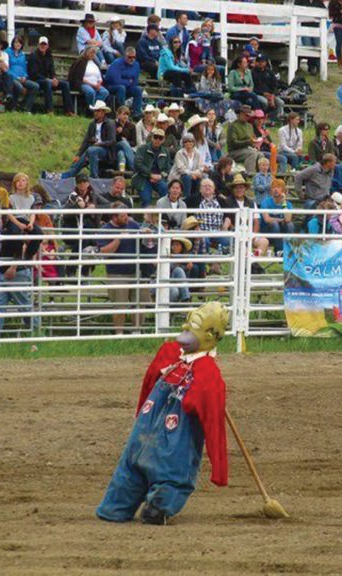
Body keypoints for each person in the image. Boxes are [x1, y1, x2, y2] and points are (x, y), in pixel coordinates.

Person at [96, 301, 230, 525]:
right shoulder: (201, 370)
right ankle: (153, 507)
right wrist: (219, 470)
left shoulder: (195, 367)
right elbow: (214, 423)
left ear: (208, 334)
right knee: (173, 475)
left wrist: (140, 412)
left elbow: (149, 384)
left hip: (146, 432)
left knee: (132, 472)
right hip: (171, 441)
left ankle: (122, 507)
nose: (184, 335)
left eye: (190, 329)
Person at [97, 206, 147, 334]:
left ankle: (137, 331)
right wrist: (119, 238)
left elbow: (142, 239)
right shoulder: (105, 230)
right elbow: (104, 252)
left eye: (127, 214)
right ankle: (119, 334)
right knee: (120, 306)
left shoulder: (133, 225)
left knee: (140, 303)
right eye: (123, 216)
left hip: (136, 270)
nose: (127, 217)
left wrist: (145, 233)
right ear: (114, 217)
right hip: (116, 273)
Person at [48, 101, 116, 179]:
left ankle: (94, 177)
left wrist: (100, 144)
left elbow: (112, 141)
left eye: (98, 111)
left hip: (107, 151)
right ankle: (65, 176)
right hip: (92, 150)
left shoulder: (110, 123)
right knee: (80, 160)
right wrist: (78, 155)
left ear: (103, 112)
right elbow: (86, 140)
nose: (95, 113)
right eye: (95, 111)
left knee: (92, 150)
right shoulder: (92, 124)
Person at [28, 36, 73, 115]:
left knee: (65, 84)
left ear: (47, 46)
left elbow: (52, 71)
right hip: (36, 80)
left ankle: (69, 111)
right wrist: (48, 79)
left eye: (44, 44)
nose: (43, 46)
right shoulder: (33, 55)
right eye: (41, 44)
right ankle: (50, 110)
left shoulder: (49, 56)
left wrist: (54, 78)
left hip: (48, 80)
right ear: (38, 45)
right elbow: (33, 73)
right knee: (47, 83)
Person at [5, 173, 43, 261]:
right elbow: (8, 213)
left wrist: (31, 223)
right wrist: (18, 224)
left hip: (26, 219)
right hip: (15, 219)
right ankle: (17, 255)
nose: (20, 183)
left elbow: (32, 212)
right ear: (14, 183)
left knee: (38, 234)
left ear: (27, 183)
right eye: (18, 181)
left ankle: (28, 255)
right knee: (15, 233)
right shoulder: (10, 197)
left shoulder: (31, 198)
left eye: (23, 180)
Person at [133, 128, 171, 206]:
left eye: (160, 138)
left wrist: (160, 176)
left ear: (163, 140)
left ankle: (163, 216)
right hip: (142, 178)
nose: (157, 140)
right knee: (146, 200)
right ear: (152, 138)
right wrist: (150, 175)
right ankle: (146, 218)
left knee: (166, 194)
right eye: (156, 137)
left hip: (158, 178)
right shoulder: (142, 149)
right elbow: (137, 164)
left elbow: (167, 168)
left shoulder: (165, 151)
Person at [197, 178, 232, 257]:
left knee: (230, 240)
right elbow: (189, 215)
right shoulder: (194, 200)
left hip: (218, 230)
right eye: (204, 186)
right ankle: (204, 265)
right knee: (203, 241)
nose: (207, 187)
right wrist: (196, 226)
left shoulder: (221, 200)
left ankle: (216, 263)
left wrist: (226, 223)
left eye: (209, 186)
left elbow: (229, 214)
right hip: (202, 231)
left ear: (214, 189)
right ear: (200, 189)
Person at [105, 47, 143, 118]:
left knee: (138, 89)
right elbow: (116, 81)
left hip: (127, 88)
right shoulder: (117, 63)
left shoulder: (136, 65)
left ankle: (136, 113)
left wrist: (126, 81)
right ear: (125, 56)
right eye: (130, 57)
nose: (132, 59)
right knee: (121, 88)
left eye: (134, 57)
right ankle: (122, 112)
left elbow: (135, 82)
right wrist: (128, 81)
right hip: (112, 87)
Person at [4, 35, 39, 113]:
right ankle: (12, 107)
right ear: (13, 43)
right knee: (19, 88)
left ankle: (26, 108)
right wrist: (16, 77)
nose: (18, 44)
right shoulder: (7, 52)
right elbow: (6, 68)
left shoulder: (22, 55)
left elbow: (24, 68)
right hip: (11, 77)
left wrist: (24, 76)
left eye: (19, 42)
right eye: (16, 42)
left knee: (35, 86)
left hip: (22, 77)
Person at [260, 179, 295, 253]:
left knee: (290, 225)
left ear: (283, 190)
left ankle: (289, 251)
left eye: (278, 187)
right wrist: (281, 220)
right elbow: (267, 219)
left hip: (282, 232)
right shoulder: (265, 202)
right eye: (273, 187)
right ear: (271, 190)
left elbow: (288, 219)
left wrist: (284, 202)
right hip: (267, 232)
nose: (275, 189)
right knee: (275, 224)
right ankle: (279, 251)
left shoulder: (288, 204)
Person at [226, 104, 263, 175]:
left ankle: (260, 176)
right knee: (252, 154)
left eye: (249, 116)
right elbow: (233, 143)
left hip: (247, 149)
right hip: (234, 151)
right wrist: (249, 142)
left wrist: (254, 145)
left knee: (260, 154)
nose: (248, 117)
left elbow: (252, 139)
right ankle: (249, 175)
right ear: (240, 114)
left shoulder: (249, 126)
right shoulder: (233, 126)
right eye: (246, 115)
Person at [170, 132, 204, 199]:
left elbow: (201, 167)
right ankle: (186, 199)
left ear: (193, 142)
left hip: (194, 176)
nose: (188, 143)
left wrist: (195, 174)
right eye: (186, 141)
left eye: (190, 141)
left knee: (199, 179)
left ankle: (196, 200)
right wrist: (192, 174)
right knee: (187, 178)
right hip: (179, 176)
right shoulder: (179, 153)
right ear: (183, 143)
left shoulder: (198, 153)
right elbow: (181, 169)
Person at [251, 54, 282, 119]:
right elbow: (251, 87)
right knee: (265, 102)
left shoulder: (269, 72)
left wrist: (272, 96)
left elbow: (275, 85)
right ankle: (262, 118)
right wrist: (263, 93)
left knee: (280, 102)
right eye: (258, 61)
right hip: (257, 94)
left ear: (265, 62)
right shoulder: (252, 72)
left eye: (262, 61)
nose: (260, 63)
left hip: (270, 94)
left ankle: (273, 119)